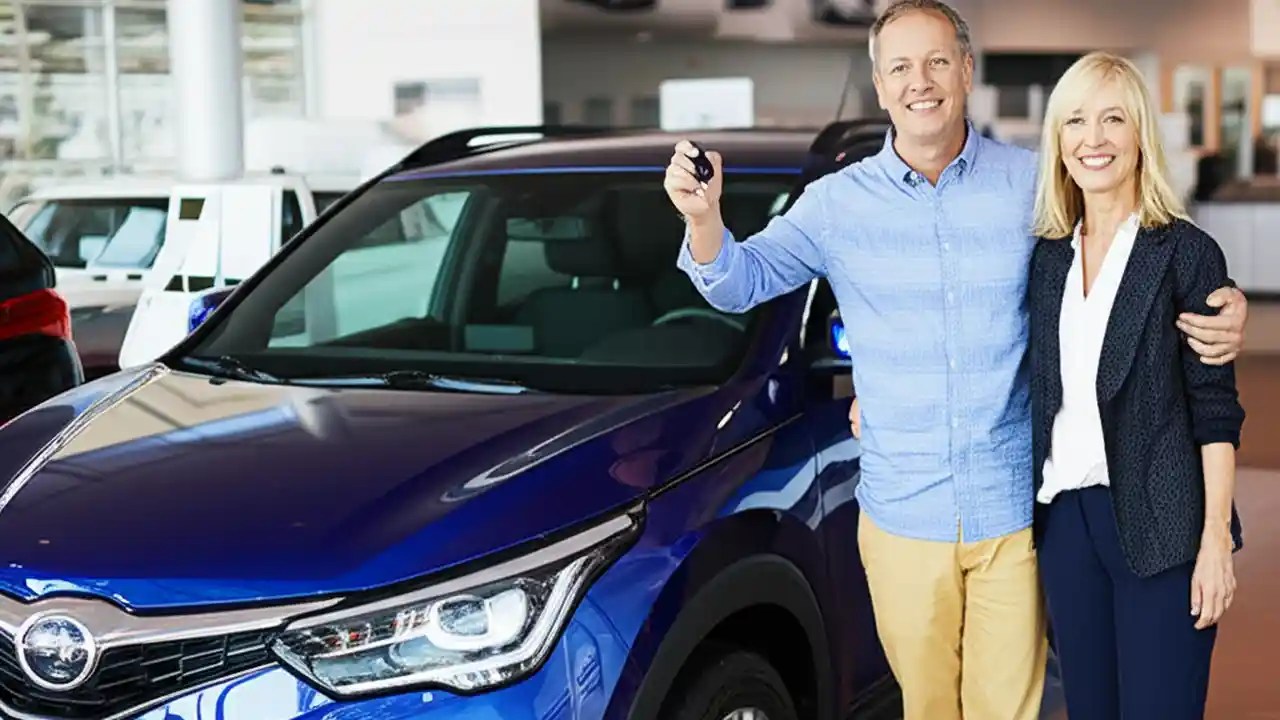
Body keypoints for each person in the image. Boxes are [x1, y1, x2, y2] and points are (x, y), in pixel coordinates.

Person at [661, 1, 1250, 718]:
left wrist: (1220, 305)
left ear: (967, 70)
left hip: (1014, 515)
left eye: (938, 60)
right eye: (901, 67)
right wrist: (703, 221)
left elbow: (1126, 250)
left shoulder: (1033, 185)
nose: (922, 81)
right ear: (880, 85)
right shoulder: (835, 205)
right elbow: (742, 280)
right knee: (930, 707)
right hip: (905, 515)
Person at [1027, 51, 1244, 720]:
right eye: (1077, 122)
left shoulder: (1184, 252)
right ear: (1058, 142)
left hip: (1164, 524)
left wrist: (1214, 542)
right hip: (1067, 525)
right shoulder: (1046, 257)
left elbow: (1214, 411)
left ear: (1140, 135)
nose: (1094, 140)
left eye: (1113, 119)